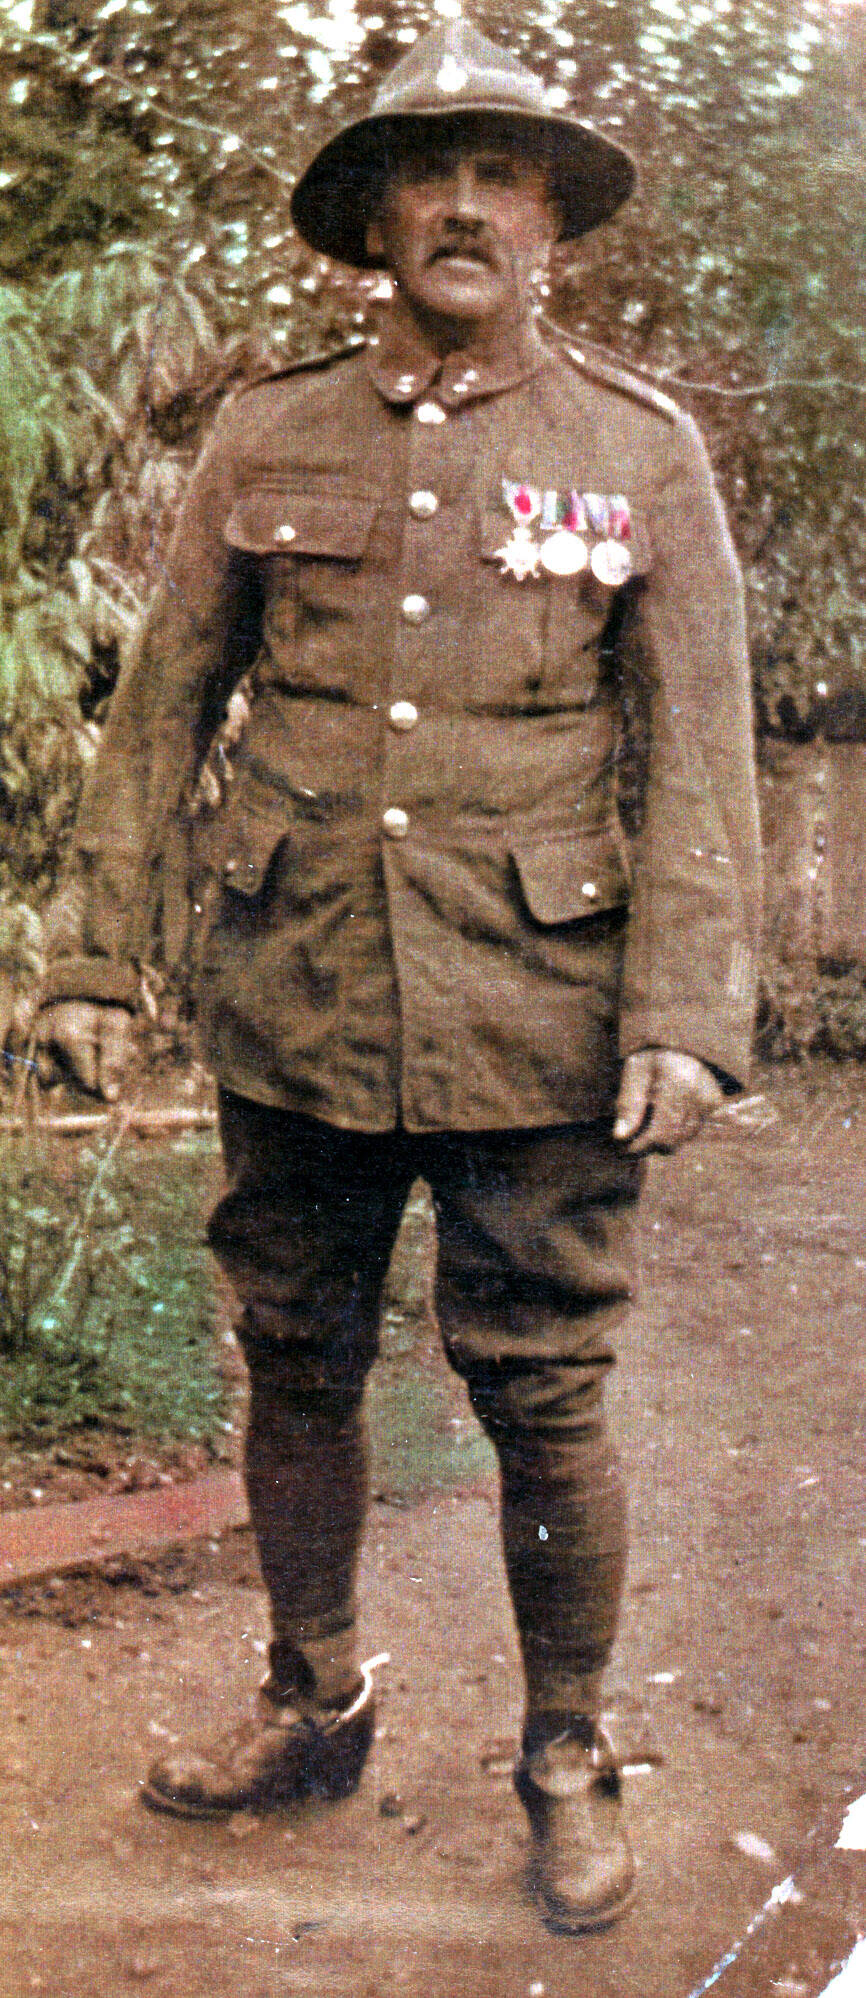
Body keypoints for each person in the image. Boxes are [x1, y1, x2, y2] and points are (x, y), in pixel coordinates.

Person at [37, 19, 761, 1935]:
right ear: (369, 222)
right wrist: (96, 955)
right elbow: (161, 705)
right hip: (301, 984)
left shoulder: (632, 449)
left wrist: (687, 1013)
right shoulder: (268, 433)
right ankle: (312, 1697)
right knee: (296, 1347)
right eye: (422, 172)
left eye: (499, 174)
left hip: (538, 1004)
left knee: (543, 1381)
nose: (459, 204)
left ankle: (568, 1753)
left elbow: (696, 752)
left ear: (550, 227)